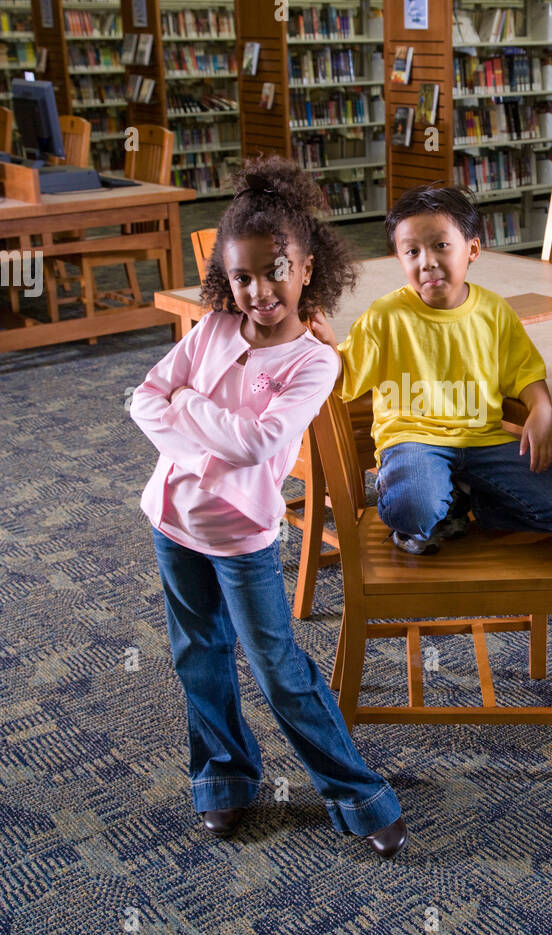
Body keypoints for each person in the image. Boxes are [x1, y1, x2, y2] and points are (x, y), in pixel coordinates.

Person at [129, 156, 407, 857]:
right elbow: (142, 399)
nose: (259, 291)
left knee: (277, 667)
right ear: (228, 278)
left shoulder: (314, 362)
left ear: (307, 267)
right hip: (173, 519)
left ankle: (359, 794)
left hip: (243, 533)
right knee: (199, 657)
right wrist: (193, 448)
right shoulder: (214, 329)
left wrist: (187, 405)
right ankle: (223, 782)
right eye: (243, 277)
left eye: (275, 270)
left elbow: (257, 447)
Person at [310, 184, 552, 554]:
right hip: (413, 441)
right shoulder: (385, 316)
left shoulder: (494, 312)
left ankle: (463, 504)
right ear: (400, 259)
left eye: (440, 245)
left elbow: (524, 372)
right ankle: (430, 507)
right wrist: (328, 344)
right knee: (414, 508)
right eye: (412, 251)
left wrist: (540, 410)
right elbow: (345, 378)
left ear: (472, 249)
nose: (426, 261)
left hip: (482, 440)